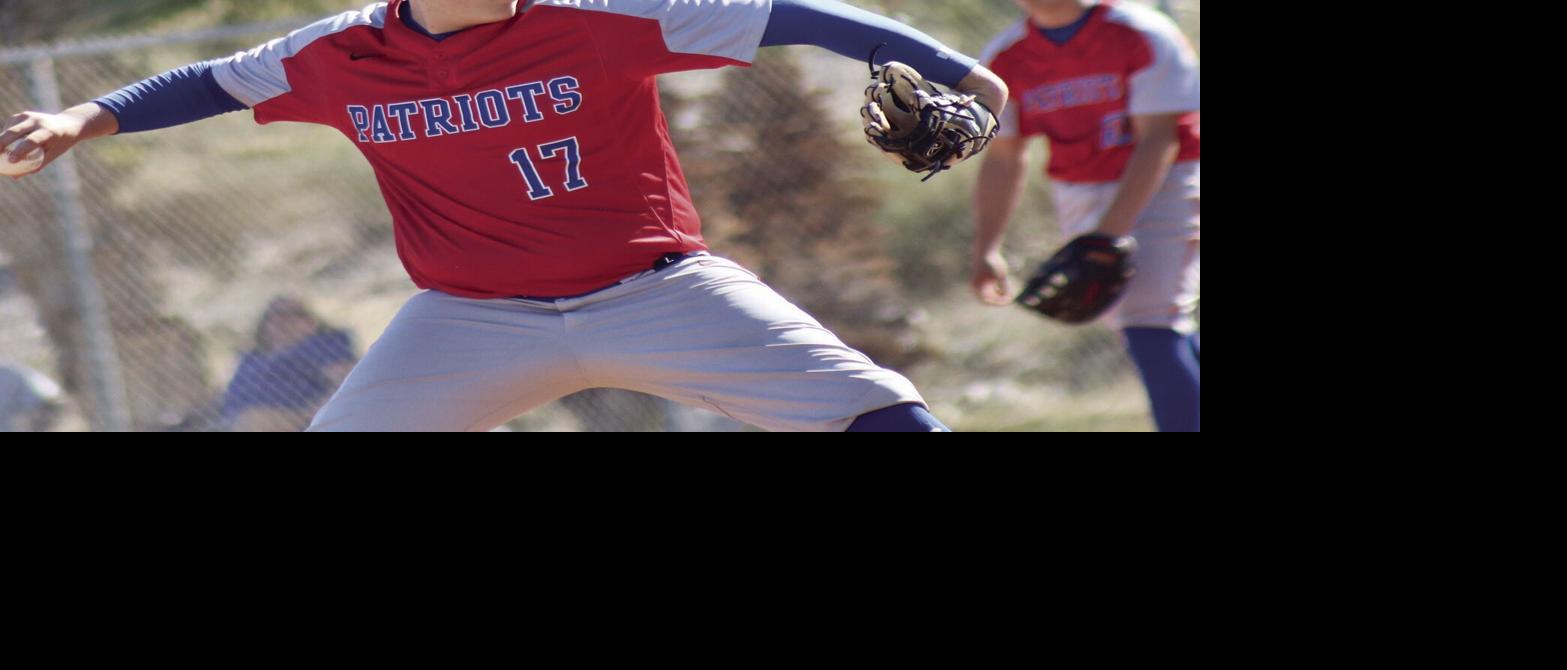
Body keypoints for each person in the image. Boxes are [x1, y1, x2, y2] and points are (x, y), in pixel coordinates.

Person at [2, 0, 1009, 432]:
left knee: (876, 410)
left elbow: (787, 14)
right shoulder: (336, 55)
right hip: (469, 316)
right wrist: (80, 119)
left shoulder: (598, 19)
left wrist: (962, 71)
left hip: (656, 292)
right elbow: (209, 81)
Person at [972, 0, 1198, 432]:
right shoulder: (1006, 55)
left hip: (1162, 180)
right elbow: (1004, 155)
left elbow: (1159, 139)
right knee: (1151, 321)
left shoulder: (1139, 32)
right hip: (1077, 188)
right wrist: (987, 247)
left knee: (1148, 322)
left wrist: (1107, 236)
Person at [220, 296, 358, 432]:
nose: (285, 320)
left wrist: (307, 416)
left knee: (253, 421)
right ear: (264, 326)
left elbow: (346, 384)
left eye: (296, 314)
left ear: (312, 322)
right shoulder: (249, 360)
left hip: (298, 420)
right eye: (277, 314)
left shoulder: (322, 344)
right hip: (234, 422)